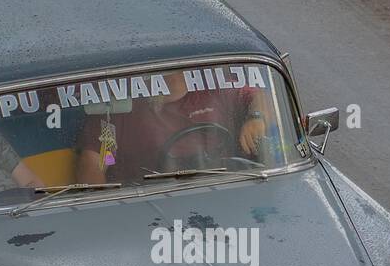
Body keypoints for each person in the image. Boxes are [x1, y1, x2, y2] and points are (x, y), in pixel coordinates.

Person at [75, 67, 273, 185]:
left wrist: (256, 117)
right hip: (146, 200)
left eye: (173, 70)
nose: (166, 78)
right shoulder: (120, 107)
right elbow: (95, 161)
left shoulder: (211, 89)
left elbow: (257, 96)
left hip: (215, 186)